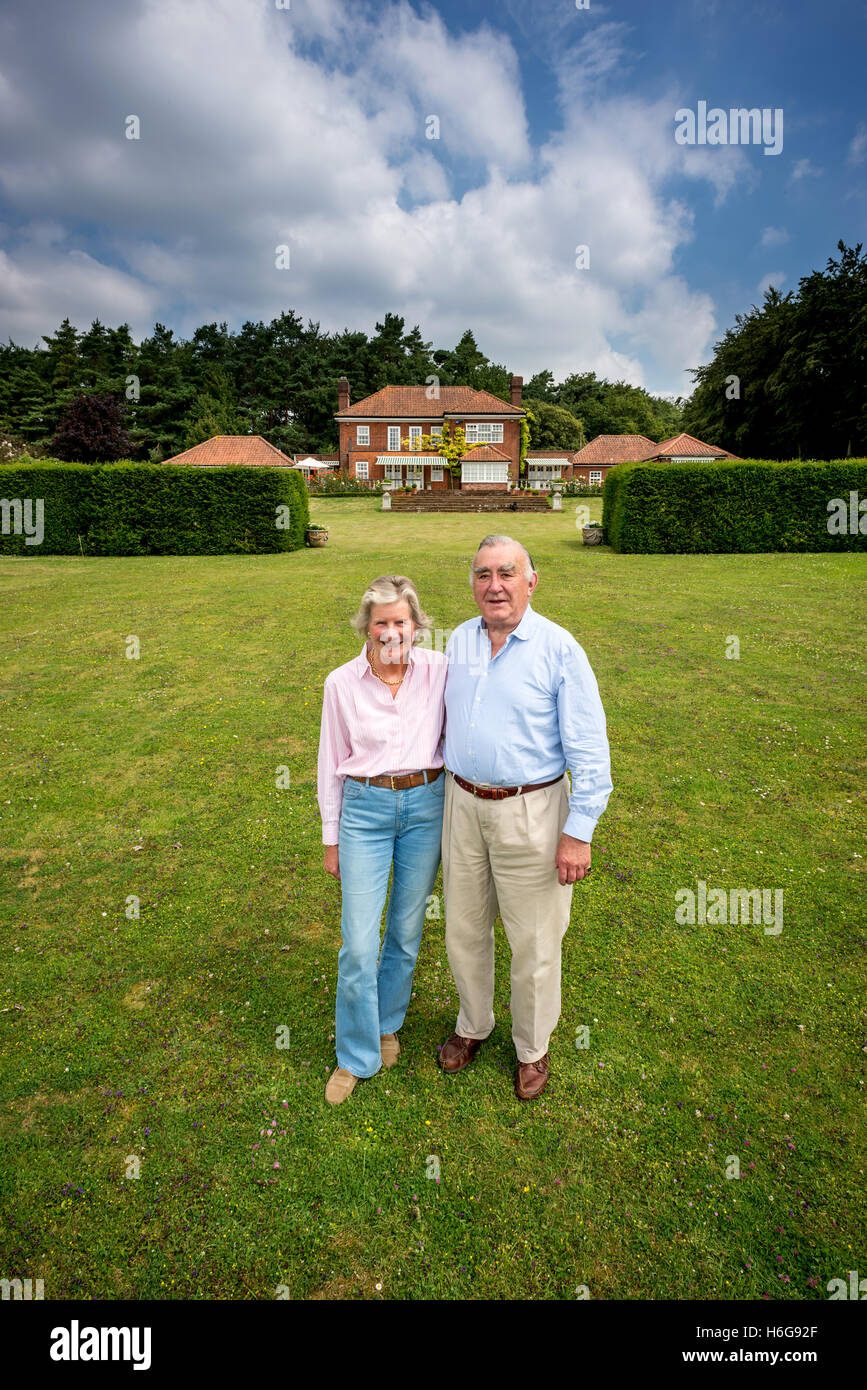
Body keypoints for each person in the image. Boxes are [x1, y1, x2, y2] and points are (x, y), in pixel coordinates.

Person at [439, 535, 613, 1100]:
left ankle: (532, 1047)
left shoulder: (560, 649)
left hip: (532, 810)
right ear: (473, 583)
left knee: (535, 939)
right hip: (462, 805)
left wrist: (578, 833)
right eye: (484, 574)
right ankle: (474, 1026)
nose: (495, 585)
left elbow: (589, 751)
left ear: (531, 581)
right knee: (464, 928)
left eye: (507, 573)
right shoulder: (459, 642)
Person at [317, 575, 447, 1105]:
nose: (391, 631)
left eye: (401, 621)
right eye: (381, 623)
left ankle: (387, 1023)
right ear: (366, 629)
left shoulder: (440, 671)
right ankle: (354, 1054)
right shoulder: (341, 683)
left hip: (426, 808)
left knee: (405, 932)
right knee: (359, 944)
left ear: (416, 627)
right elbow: (330, 764)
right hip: (364, 812)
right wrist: (331, 837)